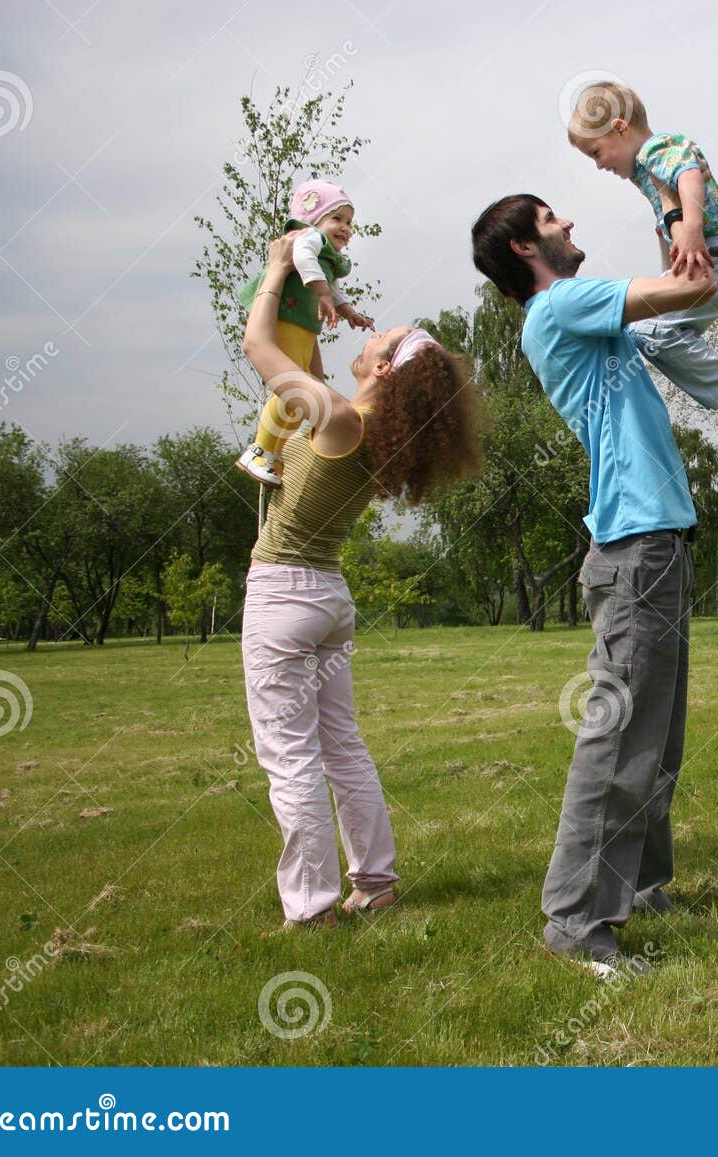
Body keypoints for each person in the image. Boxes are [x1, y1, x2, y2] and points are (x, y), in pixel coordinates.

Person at [471, 193, 711, 976]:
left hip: (653, 545)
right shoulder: (561, 303)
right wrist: (690, 219)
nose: (568, 222)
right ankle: (574, 919)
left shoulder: (575, 313)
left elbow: (667, 323)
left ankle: (640, 886)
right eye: (549, 218)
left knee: (657, 738)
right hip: (636, 550)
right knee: (617, 738)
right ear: (521, 249)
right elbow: (690, 291)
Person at [240, 231, 480, 928]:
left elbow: (262, 351)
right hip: (327, 600)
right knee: (340, 744)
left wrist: (275, 270)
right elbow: (299, 360)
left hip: (283, 597)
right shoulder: (363, 426)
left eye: (387, 336)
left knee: (290, 756)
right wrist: (309, 304)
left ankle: (312, 908)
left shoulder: (342, 419)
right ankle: (374, 881)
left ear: (385, 368)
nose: (376, 332)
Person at [566, 81, 718, 450]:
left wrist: (690, 227)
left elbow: (689, 173)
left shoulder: (655, 149)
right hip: (713, 262)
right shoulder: (645, 173)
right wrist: (668, 270)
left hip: (717, 260)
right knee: (650, 330)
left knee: (649, 332)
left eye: (596, 152)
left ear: (621, 128)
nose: (598, 165)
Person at [235, 180, 375, 487]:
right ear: (314, 219)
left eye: (349, 222)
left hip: (303, 328)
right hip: (288, 320)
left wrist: (348, 311)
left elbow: (334, 289)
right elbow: (301, 257)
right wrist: (323, 295)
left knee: (301, 398)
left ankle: (272, 452)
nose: (345, 228)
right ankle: (259, 450)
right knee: (294, 391)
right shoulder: (309, 238)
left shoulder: (327, 261)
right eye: (337, 219)